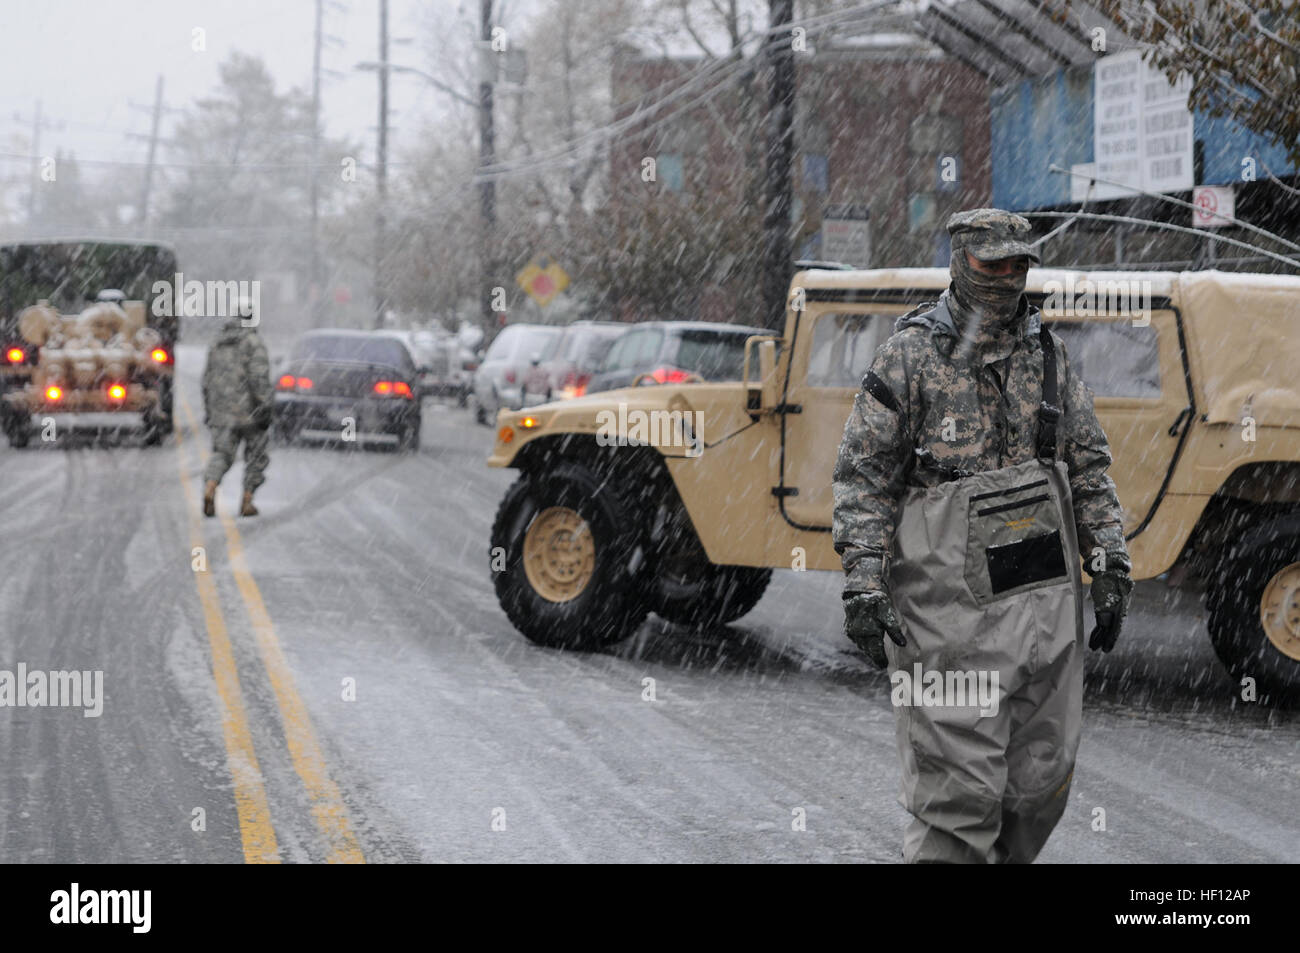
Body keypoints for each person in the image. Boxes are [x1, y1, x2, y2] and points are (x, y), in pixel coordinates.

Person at [832, 208, 1133, 863]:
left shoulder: (1049, 358)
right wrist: (861, 579)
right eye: (991, 264)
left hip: (1042, 618)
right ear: (960, 260)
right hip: (945, 618)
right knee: (957, 804)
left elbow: (1087, 467)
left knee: (1038, 784)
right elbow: (864, 476)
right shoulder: (909, 358)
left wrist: (1108, 560)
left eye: (1018, 265)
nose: (1006, 277)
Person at [201, 298, 272, 517]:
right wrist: (265, 406)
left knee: (222, 454)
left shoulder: (217, 343)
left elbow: (206, 380)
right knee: (256, 456)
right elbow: (258, 378)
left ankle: (210, 486)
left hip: (221, 412)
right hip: (249, 412)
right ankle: (247, 501)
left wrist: (210, 410)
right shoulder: (253, 342)